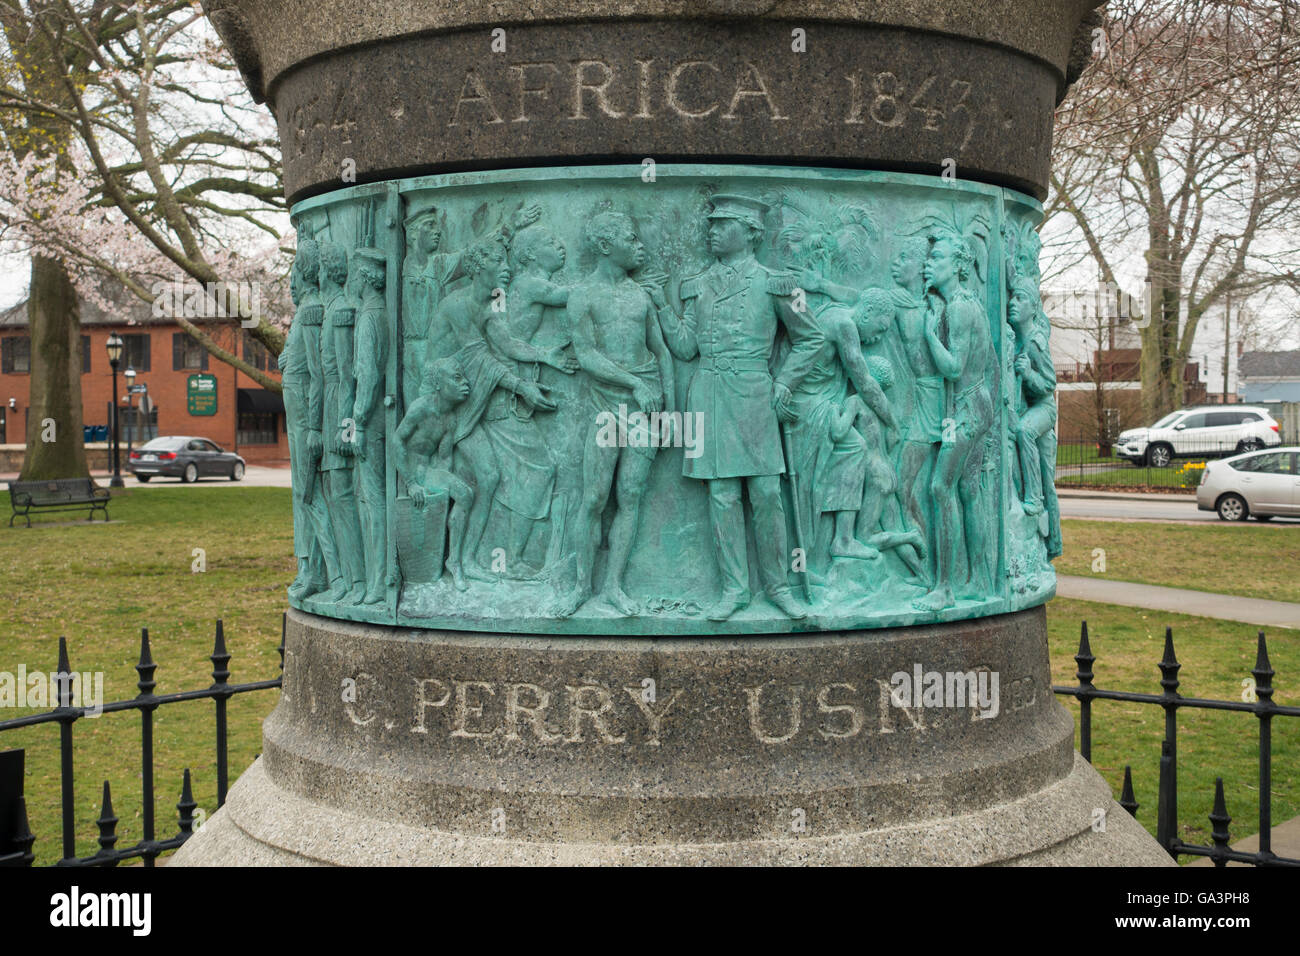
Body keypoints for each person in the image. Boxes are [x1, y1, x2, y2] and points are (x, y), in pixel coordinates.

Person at [651, 193, 824, 621]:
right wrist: (660, 306)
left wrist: (785, 382)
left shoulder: (778, 284)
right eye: (711, 225)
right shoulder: (695, 285)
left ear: (750, 232)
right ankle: (735, 590)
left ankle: (779, 587)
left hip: (753, 395)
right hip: (708, 394)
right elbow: (687, 346)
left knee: (766, 494)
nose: (712, 231)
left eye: (722, 224)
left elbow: (812, 337)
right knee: (723, 497)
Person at [552, 212, 676, 617]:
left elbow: (660, 352)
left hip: (645, 408)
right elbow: (586, 355)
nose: (639, 245)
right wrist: (632, 383)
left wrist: (668, 407)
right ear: (606, 246)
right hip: (608, 407)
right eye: (630, 238)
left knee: (631, 495)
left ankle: (613, 587)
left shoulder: (640, 296)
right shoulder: (582, 296)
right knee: (593, 497)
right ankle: (580, 587)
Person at [913, 232, 997, 612]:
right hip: (977, 405)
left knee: (939, 488)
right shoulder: (970, 304)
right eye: (929, 258)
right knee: (968, 490)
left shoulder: (959, 309)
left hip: (963, 409)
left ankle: (944, 587)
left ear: (959, 267)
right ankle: (980, 580)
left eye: (938, 258)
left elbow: (952, 367)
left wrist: (929, 333)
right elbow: (993, 364)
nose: (929, 263)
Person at [394, 358, 476, 590]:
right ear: (439, 384)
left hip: (428, 473)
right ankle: (453, 561)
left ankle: (454, 560)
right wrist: (410, 483)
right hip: (412, 474)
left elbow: (444, 457)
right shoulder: (421, 408)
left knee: (465, 494)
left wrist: (443, 486)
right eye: (457, 378)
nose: (465, 384)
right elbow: (397, 440)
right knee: (466, 494)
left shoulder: (450, 419)